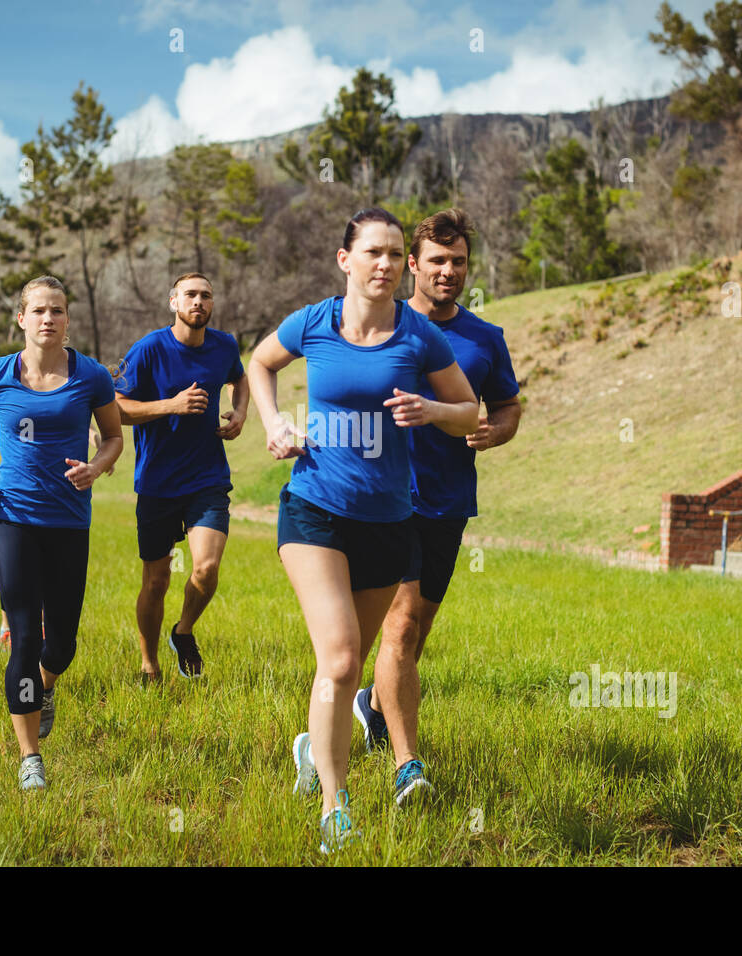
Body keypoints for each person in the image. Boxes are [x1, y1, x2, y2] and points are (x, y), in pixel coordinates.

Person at [247, 208, 478, 852]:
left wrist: (431, 409)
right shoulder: (314, 322)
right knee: (343, 660)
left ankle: (310, 747)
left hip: (389, 523)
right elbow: (258, 364)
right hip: (315, 510)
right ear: (345, 259)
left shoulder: (419, 337)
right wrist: (273, 424)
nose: (384, 263)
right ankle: (334, 804)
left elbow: (469, 412)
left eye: (394, 253)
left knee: (347, 666)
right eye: (372, 251)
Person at [351, 209, 522, 804]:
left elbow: (507, 406)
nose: (448, 272)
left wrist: (494, 432)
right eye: (438, 261)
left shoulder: (485, 338)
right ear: (413, 266)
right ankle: (408, 766)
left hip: (449, 500)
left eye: (459, 263)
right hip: (386, 499)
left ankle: (372, 705)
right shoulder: (380, 327)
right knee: (398, 626)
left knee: (416, 630)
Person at [0, 276, 123, 791]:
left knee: (63, 646)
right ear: (22, 319)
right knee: (25, 639)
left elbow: (116, 437)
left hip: (70, 523)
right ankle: (30, 757)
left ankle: (45, 687)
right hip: (14, 520)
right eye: (38, 310)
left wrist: (96, 468)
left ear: (67, 319)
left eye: (57, 310)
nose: (48, 318)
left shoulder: (92, 376)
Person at [114, 273, 249, 682]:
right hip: (157, 482)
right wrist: (170, 405)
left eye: (206, 295)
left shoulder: (223, 345)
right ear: (173, 301)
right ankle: (149, 663)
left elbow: (239, 378)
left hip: (207, 478)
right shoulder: (148, 349)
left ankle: (183, 630)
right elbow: (115, 407)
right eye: (190, 295)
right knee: (156, 582)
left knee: (206, 569)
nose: (199, 302)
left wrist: (240, 412)